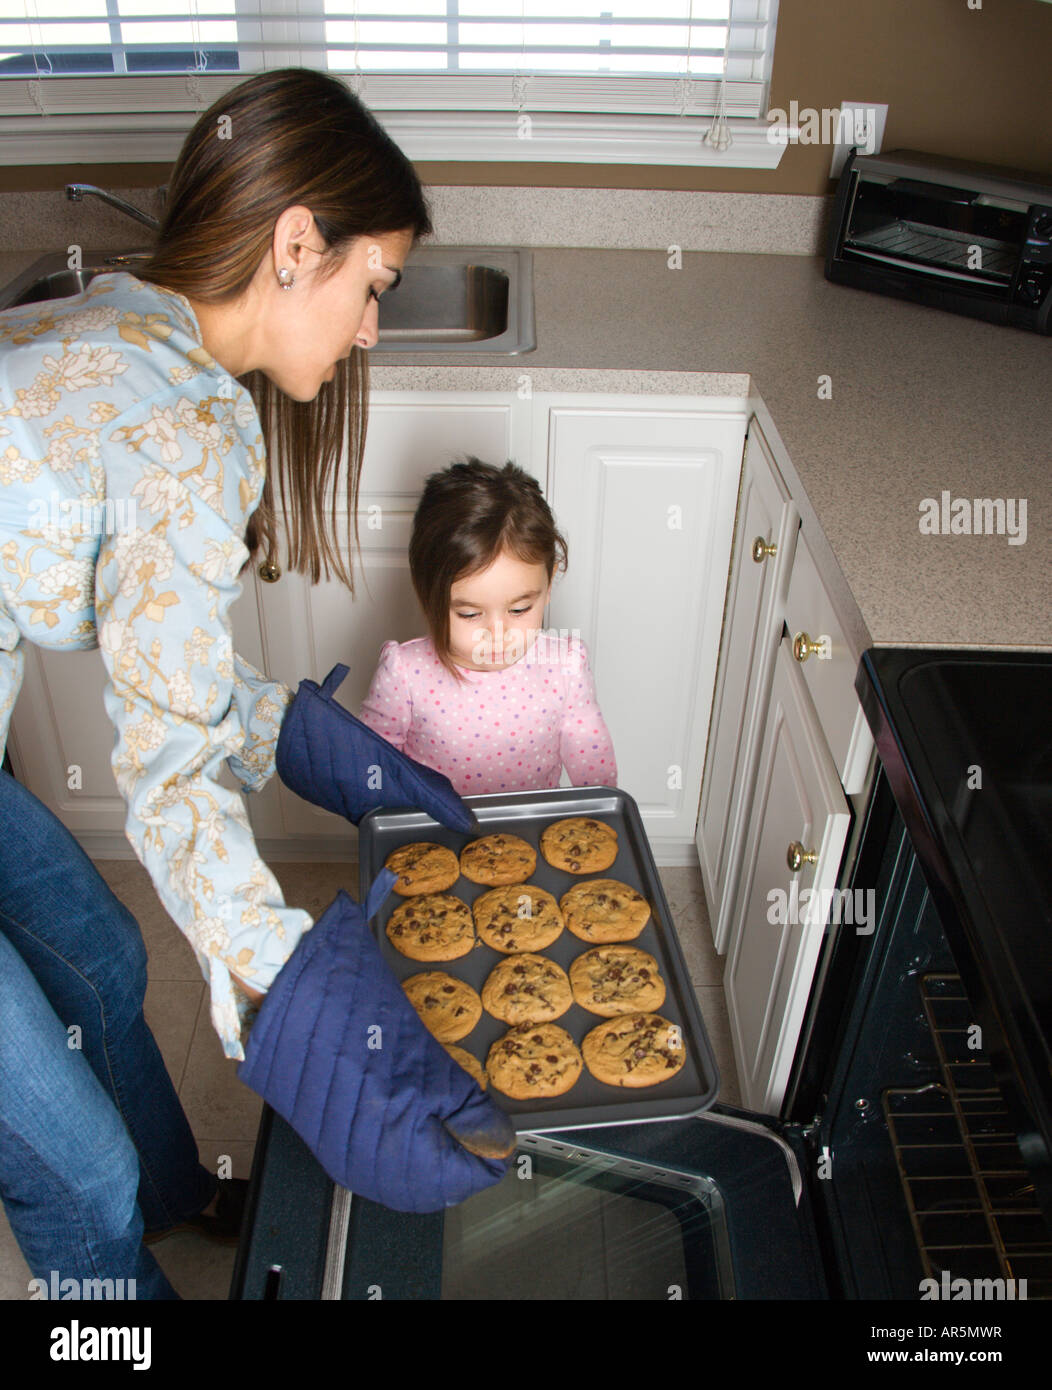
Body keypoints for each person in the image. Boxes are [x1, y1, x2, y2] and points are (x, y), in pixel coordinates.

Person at [0, 67, 508, 1302]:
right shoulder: (185, 430)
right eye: (372, 285)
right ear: (296, 244)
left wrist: (290, 730)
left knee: (103, 961)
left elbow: (153, 656)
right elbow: (170, 787)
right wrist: (298, 998)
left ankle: (180, 1204)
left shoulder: (125, 314)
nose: (372, 326)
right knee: (79, 1175)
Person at [358, 458, 618, 794]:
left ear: (549, 584)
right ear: (427, 595)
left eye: (520, 609)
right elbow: (371, 764)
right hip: (434, 836)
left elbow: (592, 764)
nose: (498, 633)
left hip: (532, 831)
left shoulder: (565, 667)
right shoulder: (405, 673)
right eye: (469, 614)